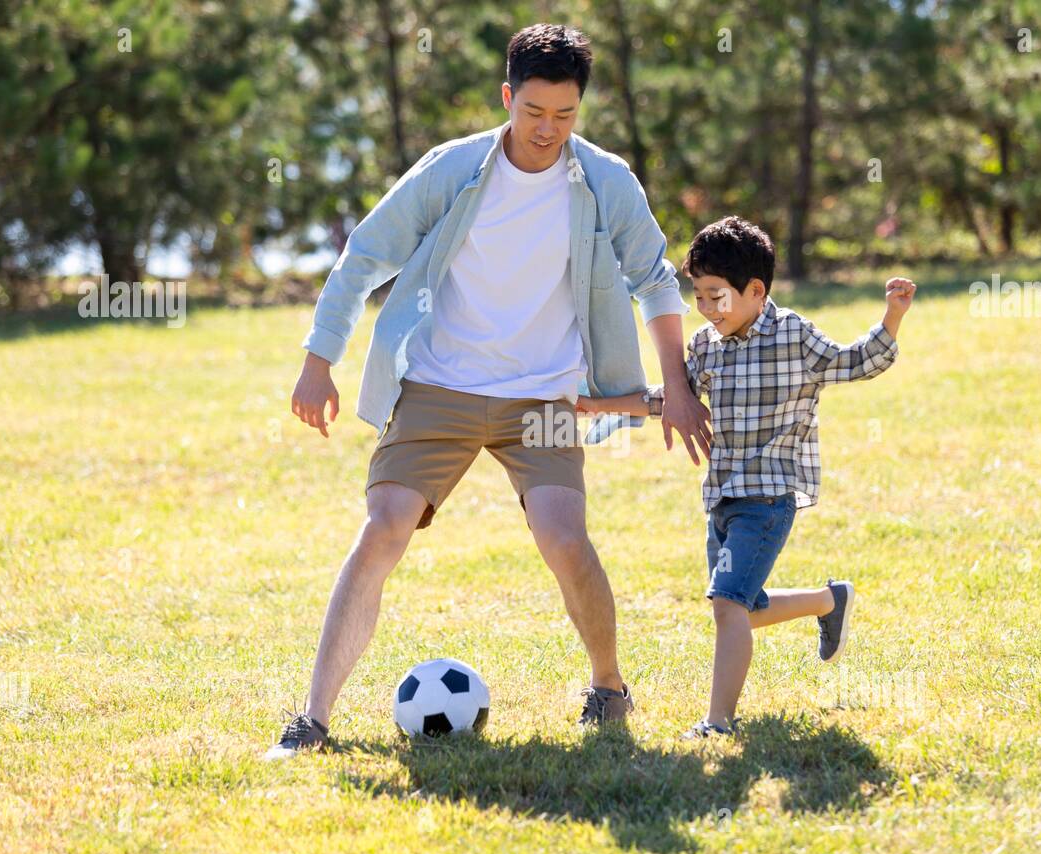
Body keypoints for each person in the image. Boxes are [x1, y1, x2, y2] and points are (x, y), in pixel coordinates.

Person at [265, 24, 711, 759]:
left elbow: (654, 278)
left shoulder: (604, 180)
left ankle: (608, 687)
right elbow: (364, 256)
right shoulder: (454, 169)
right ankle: (312, 720)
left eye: (564, 116)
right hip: (441, 382)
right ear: (508, 97)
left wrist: (677, 382)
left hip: (544, 397)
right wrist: (320, 359)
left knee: (565, 539)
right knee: (382, 529)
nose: (547, 130)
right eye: (534, 112)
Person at [576, 216, 915, 738]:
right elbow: (673, 398)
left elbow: (855, 362)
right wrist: (597, 405)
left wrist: (892, 316)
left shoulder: (794, 335)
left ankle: (718, 723)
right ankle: (831, 600)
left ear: (755, 291)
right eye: (699, 297)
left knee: (727, 604)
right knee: (745, 608)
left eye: (717, 296)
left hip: (769, 498)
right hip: (723, 498)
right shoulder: (707, 346)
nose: (706, 309)